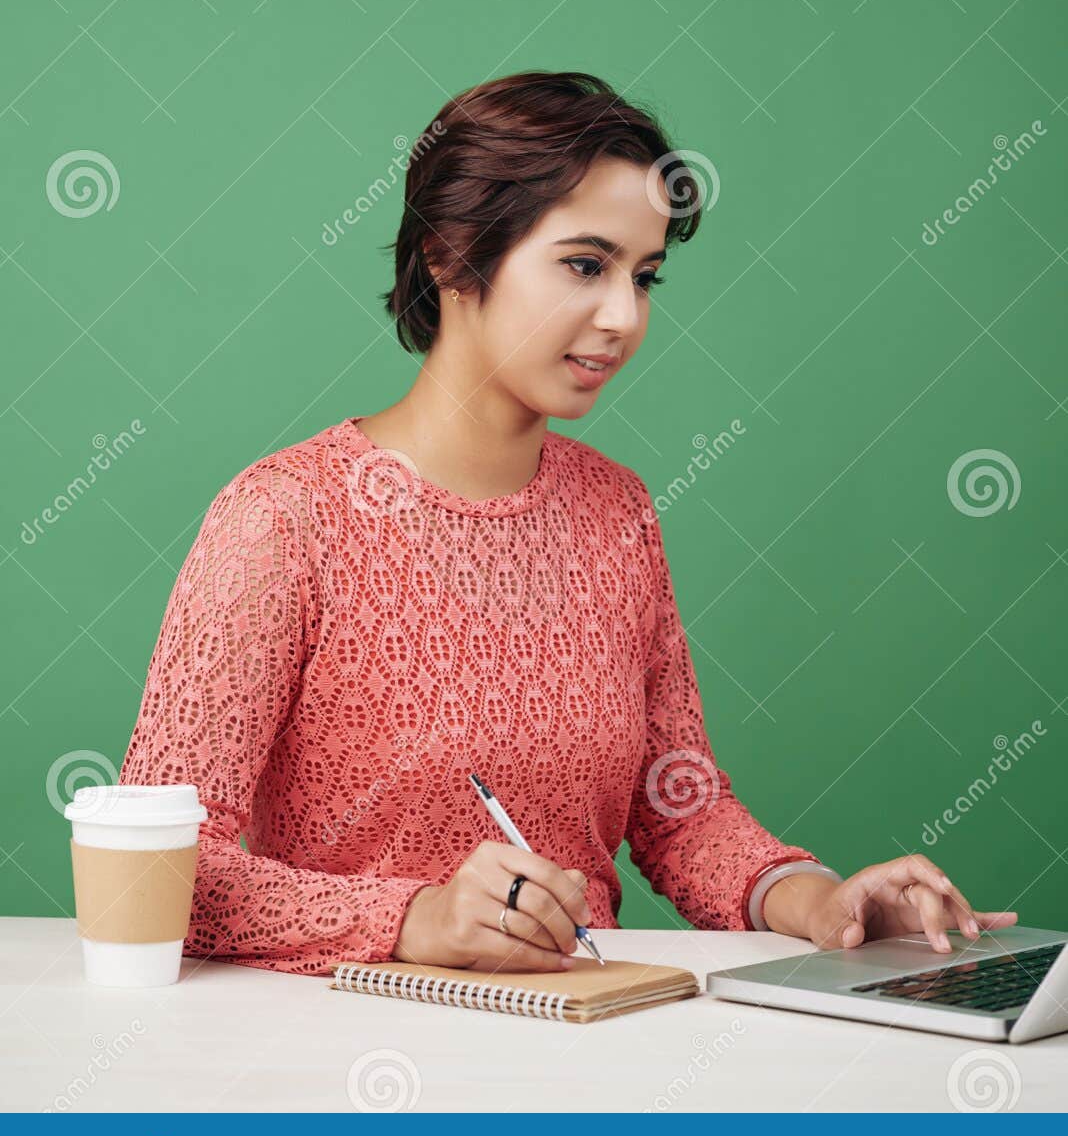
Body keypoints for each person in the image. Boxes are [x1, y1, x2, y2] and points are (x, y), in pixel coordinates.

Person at [119, 69, 1018, 976]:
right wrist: (418, 920)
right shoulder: (285, 517)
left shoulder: (616, 512)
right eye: (585, 265)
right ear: (450, 254)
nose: (624, 316)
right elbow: (151, 868)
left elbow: (679, 810)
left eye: (646, 275)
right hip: (342, 1059)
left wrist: (823, 903)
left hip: (578, 1035)